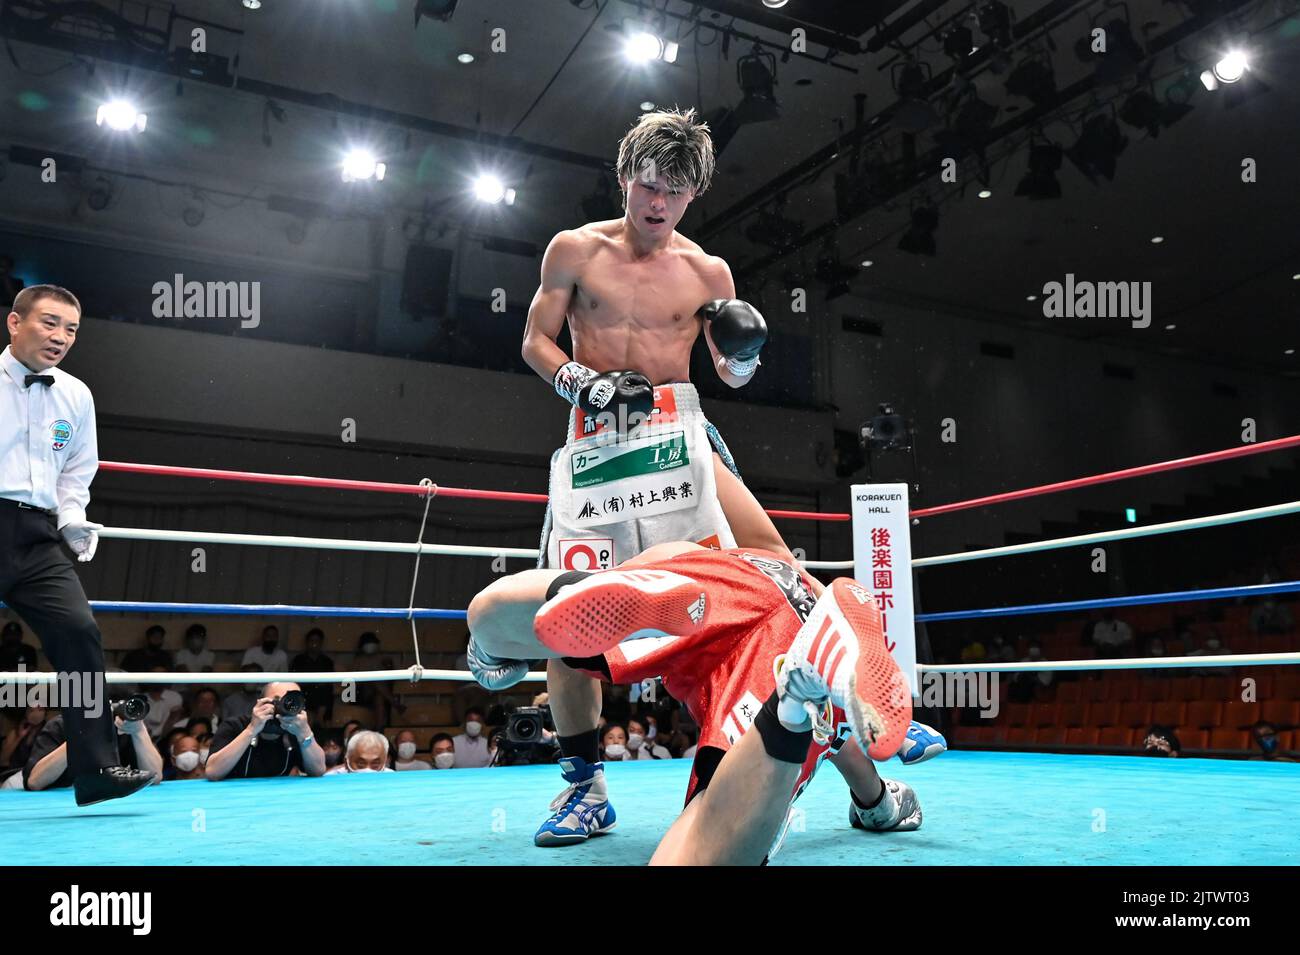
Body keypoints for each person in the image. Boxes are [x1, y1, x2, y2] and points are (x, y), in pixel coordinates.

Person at [493, 107, 847, 848]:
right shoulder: (575, 249)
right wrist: (582, 383)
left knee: (772, 563)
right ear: (625, 177)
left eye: (676, 191)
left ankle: (842, 717)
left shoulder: (708, 272)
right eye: (649, 185)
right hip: (597, 440)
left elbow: (729, 372)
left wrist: (745, 354)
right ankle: (584, 788)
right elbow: (534, 340)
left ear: (694, 195)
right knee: (573, 609)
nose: (659, 203)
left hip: (678, 431)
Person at [468, 542, 924, 861]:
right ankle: (795, 695)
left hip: (731, 574)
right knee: (695, 846)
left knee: (488, 614)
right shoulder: (842, 721)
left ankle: (492, 637)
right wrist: (880, 805)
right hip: (786, 634)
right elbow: (863, 775)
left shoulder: (849, 718)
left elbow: (771, 545)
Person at [1, 284, 154, 805]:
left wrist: (71, 518)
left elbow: (76, 470)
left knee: (79, 633)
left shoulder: (76, 394)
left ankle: (95, 769)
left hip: (38, 536)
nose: (60, 337)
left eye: (70, 329)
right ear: (15, 323)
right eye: (49, 323)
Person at [205, 681, 326, 780]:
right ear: (261, 702)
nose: (284, 706)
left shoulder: (296, 730)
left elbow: (318, 770)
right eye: (277, 700)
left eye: (291, 701)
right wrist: (251, 729)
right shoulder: (235, 725)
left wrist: (305, 733)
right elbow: (212, 772)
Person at [24, 710, 163, 791]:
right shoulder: (61, 724)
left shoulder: (129, 726)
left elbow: (156, 777)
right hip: (58, 800)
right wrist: (80, 736)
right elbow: (34, 782)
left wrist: (139, 731)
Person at [290, 627, 334, 724]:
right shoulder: (298, 660)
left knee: (325, 693)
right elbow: (294, 682)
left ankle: (321, 722)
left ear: (321, 643)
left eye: (317, 641)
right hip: (304, 694)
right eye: (312, 641)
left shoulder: (327, 662)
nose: (314, 644)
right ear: (307, 642)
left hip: (321, 695)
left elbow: (329, 684)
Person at [325, 730, 394, 775]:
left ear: (385, 763)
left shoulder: (393, 779)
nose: (367, 770)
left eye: (375, 765)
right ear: (346, 762)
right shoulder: (331, 779)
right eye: (361, 764)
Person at [1, 704, 47, 771]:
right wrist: (19, 737)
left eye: (40, 710)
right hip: (13, 772)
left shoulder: (47, 732)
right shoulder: (16, 731)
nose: (36, 714)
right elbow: (2, 760)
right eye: (31, 710)